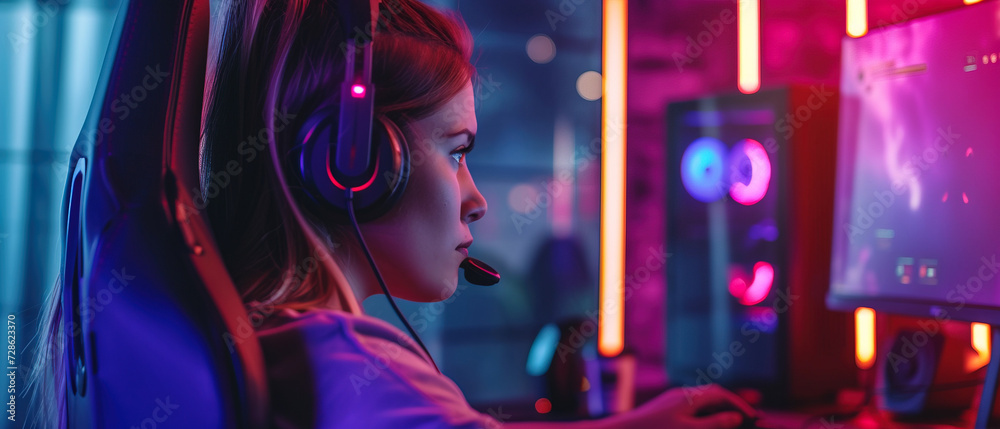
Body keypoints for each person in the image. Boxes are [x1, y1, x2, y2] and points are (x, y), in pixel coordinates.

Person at [28, 0, 758, 427]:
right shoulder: (354, 362)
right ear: (356, 163)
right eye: (458, 149)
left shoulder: (280, 339)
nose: (476, 197)